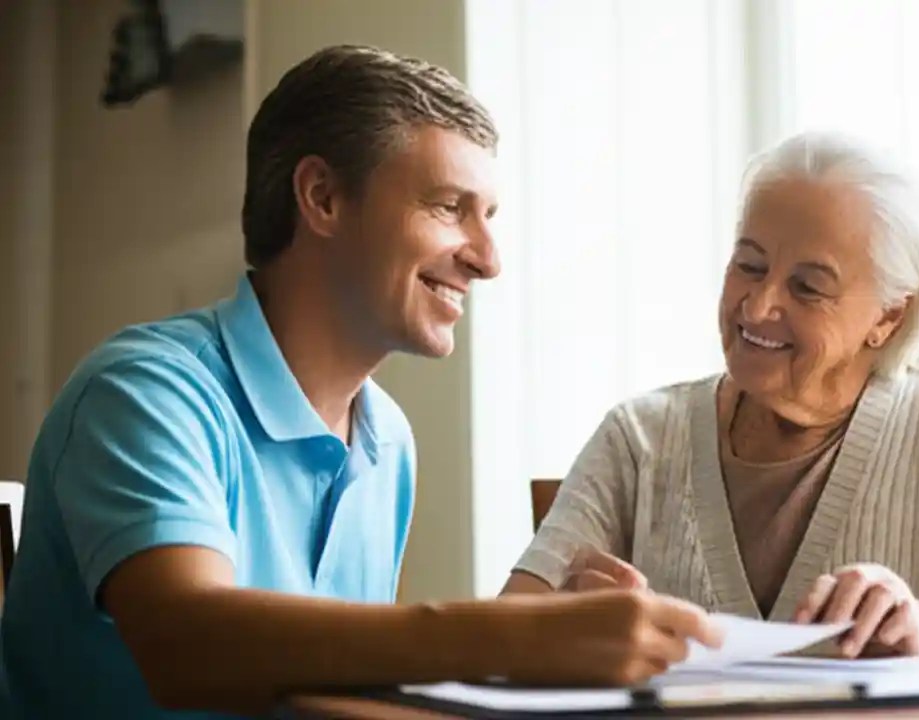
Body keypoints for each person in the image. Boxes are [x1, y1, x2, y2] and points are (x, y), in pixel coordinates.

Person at [0, 45, 719, 719]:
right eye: (448, 206)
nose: (489, 259)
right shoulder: (145, 393)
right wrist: (508, 636)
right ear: (322, 198)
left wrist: (543, 639)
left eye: (489, 217)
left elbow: (333, 678)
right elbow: (186, 643)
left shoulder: (388, 441)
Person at [504, 131, 919, 661]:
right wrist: (561, 627)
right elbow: (506, 625)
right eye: (750, 265)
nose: (758, 305)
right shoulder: (639, 437)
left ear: (887, 317)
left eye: (808, 287)